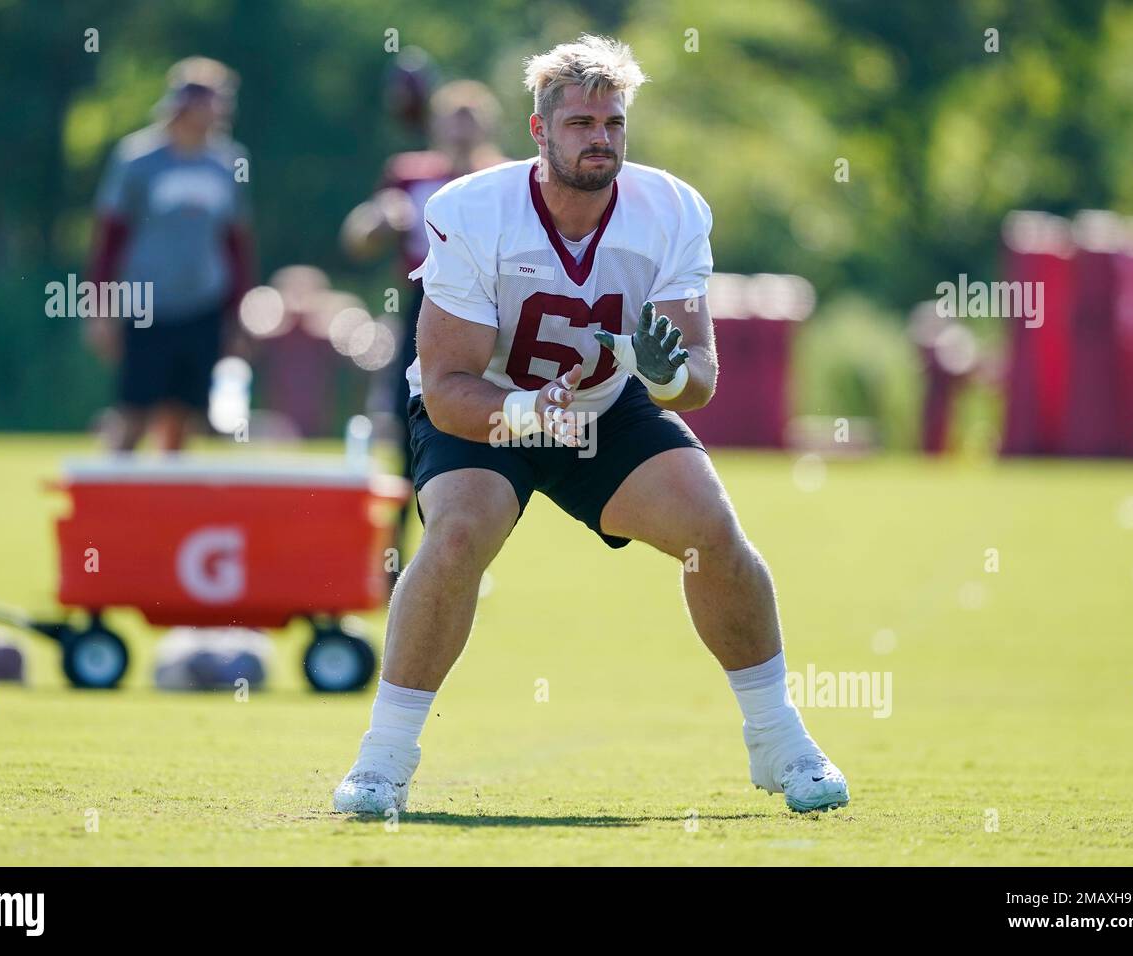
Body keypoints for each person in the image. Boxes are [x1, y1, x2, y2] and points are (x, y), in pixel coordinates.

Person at [333, 35, 849, 815]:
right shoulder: (473, 210)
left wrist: (667, 372)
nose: (599, 138)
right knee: (459, 533)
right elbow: (443, 387)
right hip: (489, 408)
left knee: (712, 529)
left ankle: (779, 740)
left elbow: (698, 378)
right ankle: (383, 758)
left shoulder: (670, 208)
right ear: (540, 132)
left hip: (603, 406)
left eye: (611, 122)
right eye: (579, 123)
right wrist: (521, 414)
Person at [341, 78, 505, 562]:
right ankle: (397, 550)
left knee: (481, 428)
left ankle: (462, 545)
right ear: (434, 125)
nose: (460, 132)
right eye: (452, 120)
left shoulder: (503, 178)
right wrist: (379, 219)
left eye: (470, 120)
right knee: (408, 428)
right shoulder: (409, 176)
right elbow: (358, 240)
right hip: (425, 312)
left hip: (491, 314)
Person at [86, 56, 256, 451]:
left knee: (182, 414)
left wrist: (238, 314)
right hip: (147, 303)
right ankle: (114, 496)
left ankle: (164, 507)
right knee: (134, 409)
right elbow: (110, 237)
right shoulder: (137, 160)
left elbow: (236, 243)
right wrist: (100, 309)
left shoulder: (230, 161)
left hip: (203, 304)